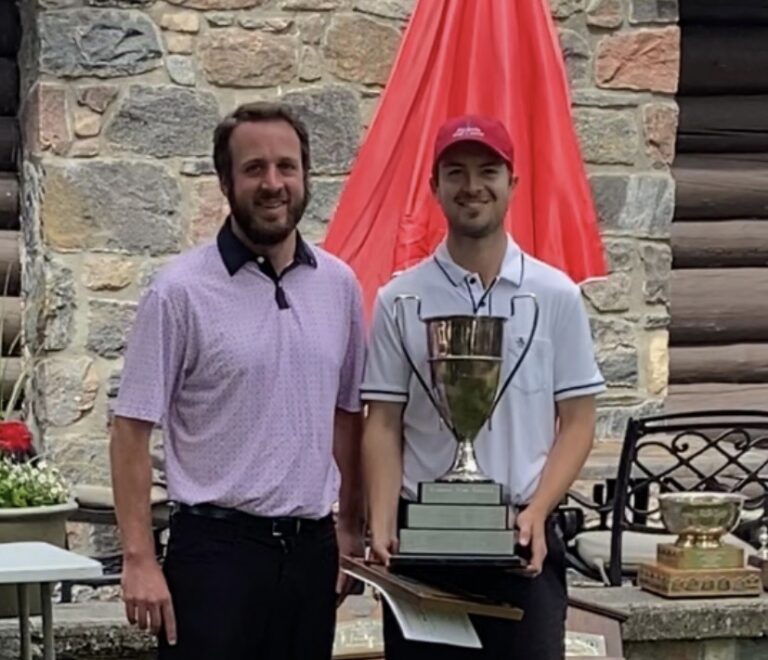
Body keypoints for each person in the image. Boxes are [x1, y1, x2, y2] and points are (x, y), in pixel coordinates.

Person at [110, 101, 367, 660]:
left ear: (305, 176)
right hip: (214, 557)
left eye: (287, 167)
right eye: (254, 169)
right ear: (226, 181)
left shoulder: (341, 287)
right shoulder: (178, 293)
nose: (273, 183)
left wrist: (350, 526)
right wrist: (138, 559)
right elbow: (130, 430)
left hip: (310, 553)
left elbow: (349, 415)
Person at [361, 114, 605, 659]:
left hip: (522, 542)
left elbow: (579, 422)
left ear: (512, 183)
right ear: (435, 188)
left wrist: (539, 510)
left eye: (488, 170)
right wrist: (380, 521)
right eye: (456, 172)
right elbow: (382, 422)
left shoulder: (556, 295)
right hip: (423, 548)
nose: (472, 186)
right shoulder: (400, 299)